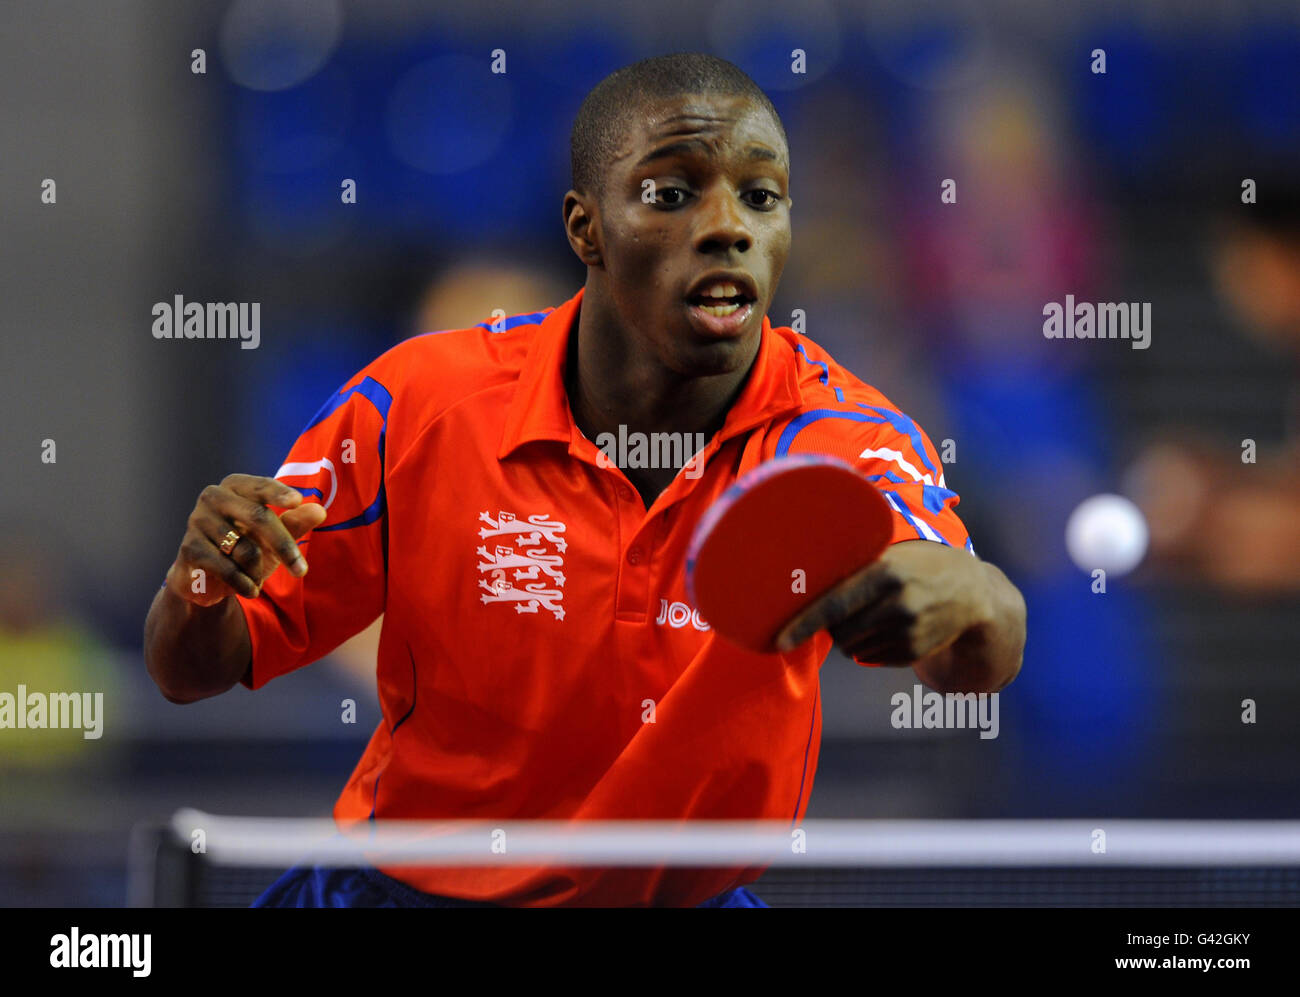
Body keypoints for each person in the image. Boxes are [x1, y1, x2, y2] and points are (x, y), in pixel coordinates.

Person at [143, 52, 1026, 908]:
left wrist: (973, 594)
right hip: (410, 895)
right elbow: (189, 668)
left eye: (762, 197)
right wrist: (200, 581)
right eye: (672, 194)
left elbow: (973, 655)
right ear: (585, 229)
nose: (729, 227)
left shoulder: (847, 436)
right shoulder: (417, 404)